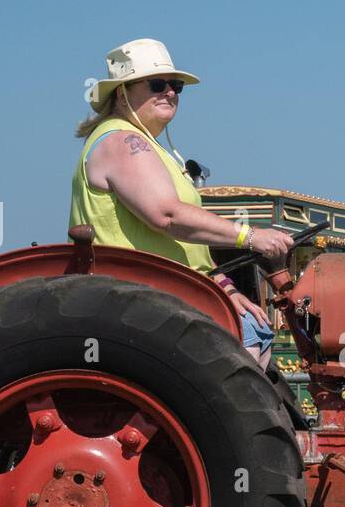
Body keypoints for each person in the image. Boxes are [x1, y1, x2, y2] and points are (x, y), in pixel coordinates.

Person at [70, 38, 290, 368]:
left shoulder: (149, 147)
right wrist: (251, 237)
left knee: (255, 327)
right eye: (157, 84)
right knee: (244, 338)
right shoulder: (122, 140)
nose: (170, 92)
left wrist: (224, 287)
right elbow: (167, 216)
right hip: (138, 296)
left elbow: (179, 243)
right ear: (122, 92)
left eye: (176, 86)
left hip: (171, 290)